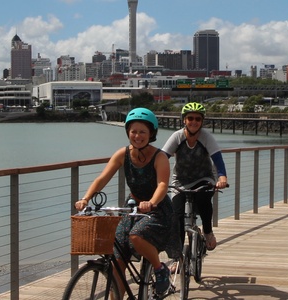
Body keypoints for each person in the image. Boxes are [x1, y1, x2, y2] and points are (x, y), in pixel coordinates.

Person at [74, 107, 178, 295]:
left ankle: (159, 269)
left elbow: (162, 184)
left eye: (142, 132)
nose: (137, 136)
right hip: (133, 207)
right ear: (128, 132)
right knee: (116, 257)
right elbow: (102, 179)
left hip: (157, 209)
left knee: (136, 236)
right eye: (133, 131)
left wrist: (151, 202)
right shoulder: (122, 154)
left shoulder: (159, 156)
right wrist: (85, 198)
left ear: (151, 133)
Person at [161, 102, 228, 251]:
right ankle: (177, 258)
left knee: (203, 199)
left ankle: (208, 231)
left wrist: (222, 178)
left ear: (202, 121)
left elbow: (218, 160)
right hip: (180, 181)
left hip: (203, 178)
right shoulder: (177, 137)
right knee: (176, 217)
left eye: (198, 119)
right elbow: (162, 158)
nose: (194, 122)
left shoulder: (206, 137)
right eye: (190, 118)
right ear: (184, 120)